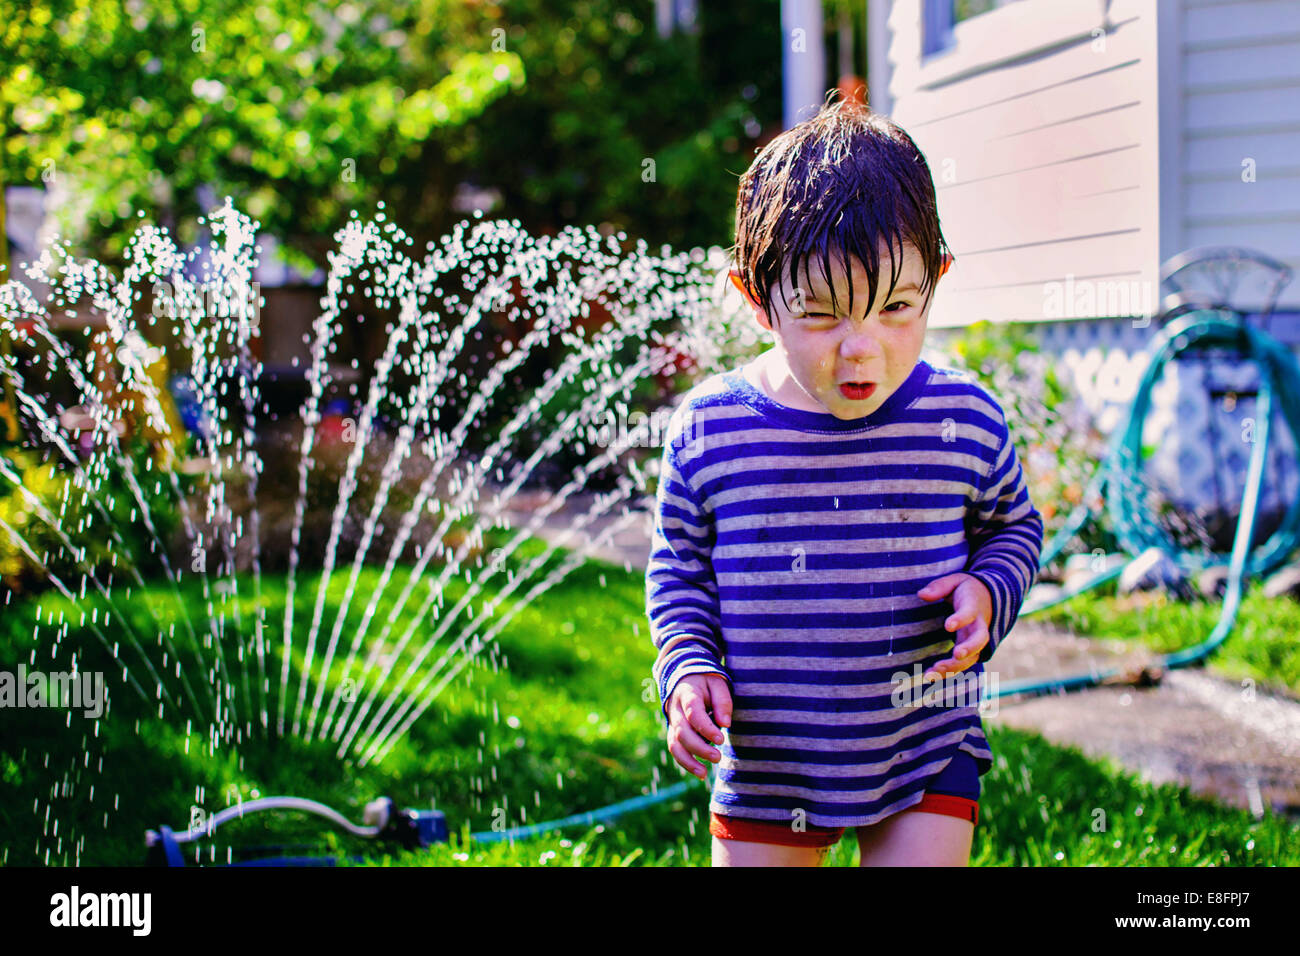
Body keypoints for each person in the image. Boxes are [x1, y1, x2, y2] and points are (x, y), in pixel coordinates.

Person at [645, 92, 1044, 867]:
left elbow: (1013, 526)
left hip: (924, 741)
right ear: (758, 302)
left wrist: (991, 589)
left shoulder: (962, 417)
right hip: (768, 759)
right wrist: (688, 667)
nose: (862, 349)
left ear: (938, 278)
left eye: (898, 307)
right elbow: (680, 569)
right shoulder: (712, 428)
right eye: (824, 315)